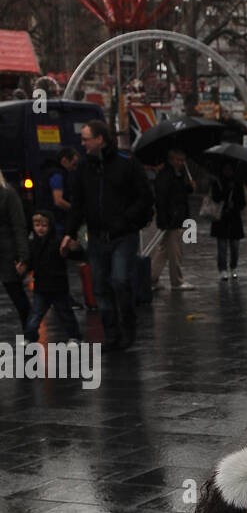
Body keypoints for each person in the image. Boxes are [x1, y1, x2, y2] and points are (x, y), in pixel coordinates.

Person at [62, 119, 153, 350]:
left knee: (120, 280)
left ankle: (128, 325)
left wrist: (126, 219)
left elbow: (144, 196)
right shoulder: (84, 167)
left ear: (99, 139)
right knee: (100, 287)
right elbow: (78, 203)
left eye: (86, 139)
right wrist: (69, 233)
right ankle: (111, 334)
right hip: (96, 235)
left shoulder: (126, 162)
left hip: (123, 234)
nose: (82, 143)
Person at [16, 208, 81, 343]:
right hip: (44, 286)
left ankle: (75, 337)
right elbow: (32, 262)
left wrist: (71, 250)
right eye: (37, 225)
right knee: (37, 314)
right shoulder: (35, 244)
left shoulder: (56, 242)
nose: (40, 229)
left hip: (56, 286)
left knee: (63, 313)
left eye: (44, 225)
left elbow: (71, 254)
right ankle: (29, 336)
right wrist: (25, 267)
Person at [150, 148, 195, 290]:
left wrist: (189, 187)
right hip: (172, 218)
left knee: (163, 250)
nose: (181, 163)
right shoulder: (167, 176)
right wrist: (166, 219)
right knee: (175, 251)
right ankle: (177, 281)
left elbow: (180, 193)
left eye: (182, 160)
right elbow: (163, 199)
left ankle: (150, 278)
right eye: (178, 160)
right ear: (171, 160)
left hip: (175, 217)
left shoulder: (177, 175)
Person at [0, 170, 30, 331]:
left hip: (7, 252)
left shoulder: (8, 194)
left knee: (17, 294)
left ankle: (29, 331)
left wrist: (23, 257)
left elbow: (19, 226)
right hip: (6, 250)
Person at [208, 161, 247, 282]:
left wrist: (234, 204)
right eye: (226, 169)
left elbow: (242, 203)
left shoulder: (237, 184)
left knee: (235, 246)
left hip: (234, 219)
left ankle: (233, 267)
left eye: (230, 169)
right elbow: (215, 198)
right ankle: (222, 269)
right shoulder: (217, 183)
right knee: (222, 246)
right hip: (221, 218)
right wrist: (225, 196)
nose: (228, 172)